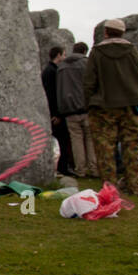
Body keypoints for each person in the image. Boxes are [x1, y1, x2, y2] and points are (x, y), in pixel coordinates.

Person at [84, 18, 138, 196]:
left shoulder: (97, 52)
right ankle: (136, 187)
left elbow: (89, 81)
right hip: (129, 104)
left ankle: (109, 190)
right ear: (122, 32)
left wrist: (88, 103)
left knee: (105, 150)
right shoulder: (132, 51)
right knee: (132, 147)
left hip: (103, 105)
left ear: (105, 32)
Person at [56, 41, 96, 177]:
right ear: (85, 51)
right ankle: (94, 168)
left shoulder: (62, 66)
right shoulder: (87, 64)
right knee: (90, 139)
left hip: (69, 109)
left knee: (76, 140)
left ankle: (80, 170)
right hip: (86, 107)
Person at [41, 46, 74, 175]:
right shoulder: (51, 72)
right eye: (64, 55)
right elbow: (51, 94)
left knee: (63, 140)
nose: (65, 58)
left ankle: (63, 166)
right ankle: (62, 167)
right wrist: (56, 113)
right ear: (58, 55)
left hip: (55, 112)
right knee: (63, 140)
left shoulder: (51, 70)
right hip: (55, 113)